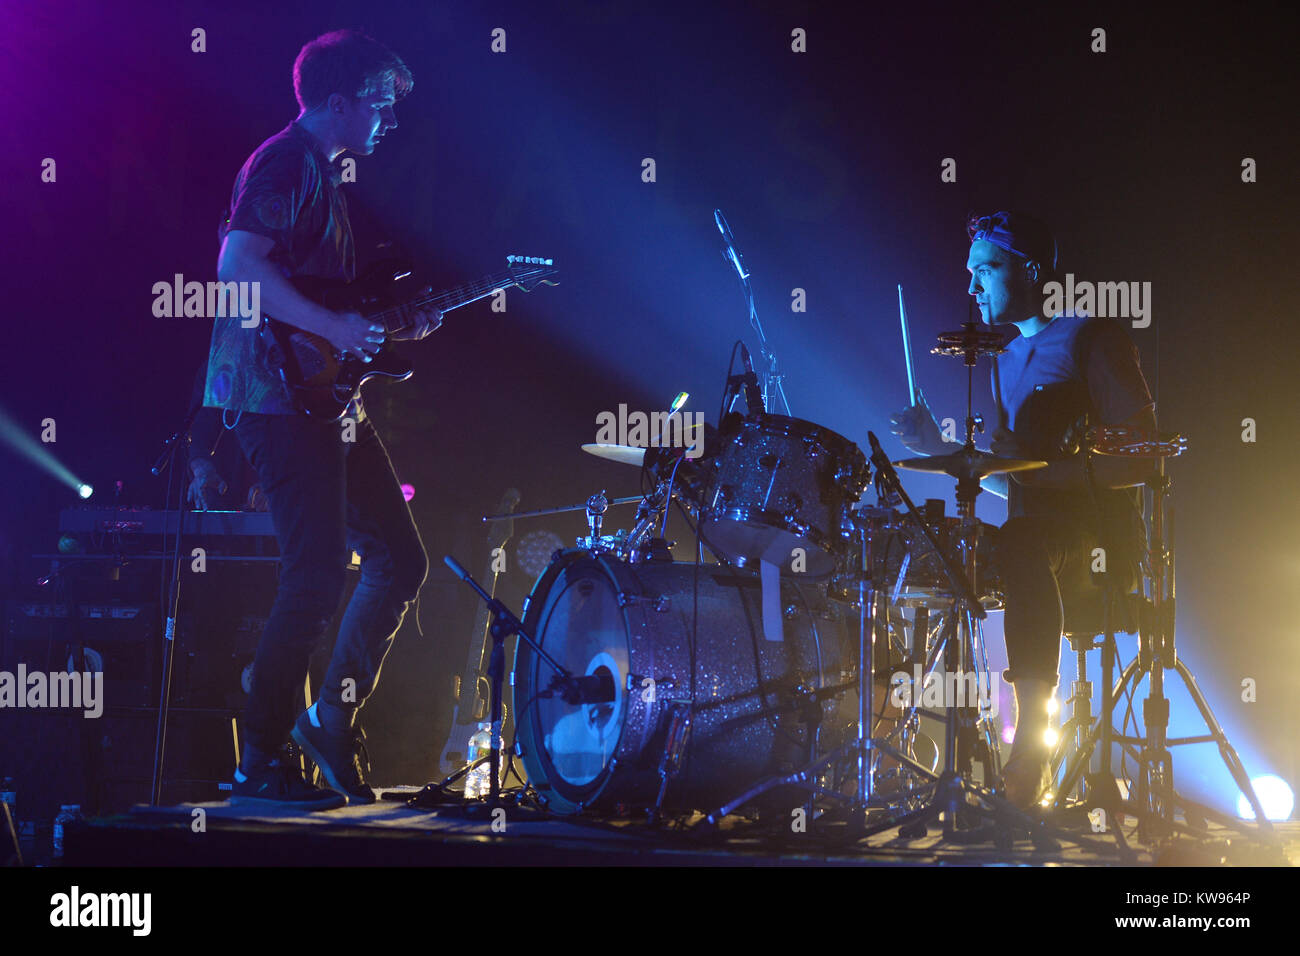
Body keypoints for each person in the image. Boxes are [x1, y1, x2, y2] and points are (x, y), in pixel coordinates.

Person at [203, 30, 441, 809]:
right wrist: (339, 331)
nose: (387, 121)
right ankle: (260, 762)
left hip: (324, 399)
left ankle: (329, 718)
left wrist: (380, 326)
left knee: (400, 560)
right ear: (336, 102)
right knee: (312, 574)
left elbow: (322, 307)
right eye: (379, 104)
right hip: (273, 397)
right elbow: (238, 268)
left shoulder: (323, 178)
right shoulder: (286, 163)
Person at [890, 211, 1155, 808]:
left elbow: (1142, 460)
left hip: (1099, 536)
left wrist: (1044, 472)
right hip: (1036, 530)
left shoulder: (1094, 336)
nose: (972, 286)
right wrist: (937, 449)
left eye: (986, 268)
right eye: (970, 272)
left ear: (1029, 268)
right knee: (943, 547)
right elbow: (1020, 491)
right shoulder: (1004, 359)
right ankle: (940, 750)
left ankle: (1031, 743)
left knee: (1024, 541)